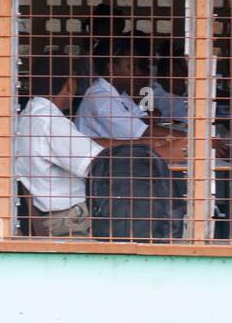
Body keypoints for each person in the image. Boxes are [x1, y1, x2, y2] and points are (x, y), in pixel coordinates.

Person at [16, 56, 181, 236]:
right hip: (71, 219)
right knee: (147, 210)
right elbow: (102, 164)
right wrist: (161, 152)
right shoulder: (49, 122)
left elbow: (91, 146)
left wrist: (150, 145)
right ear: (70, 84)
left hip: (61, 213)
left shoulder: (32, 114)